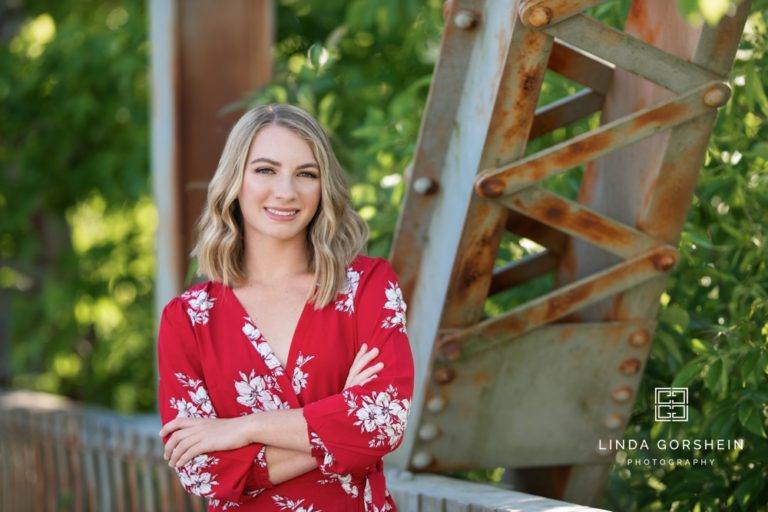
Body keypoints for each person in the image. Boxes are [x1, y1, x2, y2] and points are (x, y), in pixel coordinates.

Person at [157, 103, 414, 511]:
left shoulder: (366, 288)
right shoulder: (188, 319)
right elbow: (203, 469)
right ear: (235, 181)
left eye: (306, 174)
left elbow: (381, 422)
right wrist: (338, 418)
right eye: (265, 170)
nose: (286, 192)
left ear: (323, 186)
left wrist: (241, 430)